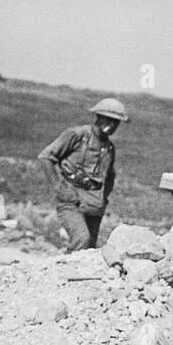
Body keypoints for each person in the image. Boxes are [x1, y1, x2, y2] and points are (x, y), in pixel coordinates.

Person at [38, 98, 127, 251]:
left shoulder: (109, 148)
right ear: (98, 117)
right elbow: (46, 157)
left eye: (116, 122)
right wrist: (59, 188)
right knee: (81, 239)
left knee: (90, 249)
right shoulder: (77, 135)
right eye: (108, 119)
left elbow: (110, 176)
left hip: (94, 203)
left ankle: (80, 273)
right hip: (71, 199)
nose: (111, 125)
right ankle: (65, 272)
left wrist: (103, 198)